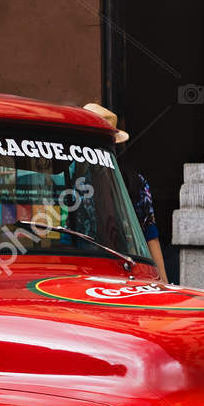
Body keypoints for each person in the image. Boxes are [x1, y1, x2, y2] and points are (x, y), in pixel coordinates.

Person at [82, 102, 168, 281]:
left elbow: (149, 233)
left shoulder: (135, 183)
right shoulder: (136, 181)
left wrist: (164, 282)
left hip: (107, 271)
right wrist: (163, 281)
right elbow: (151, 235)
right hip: (121, 271)